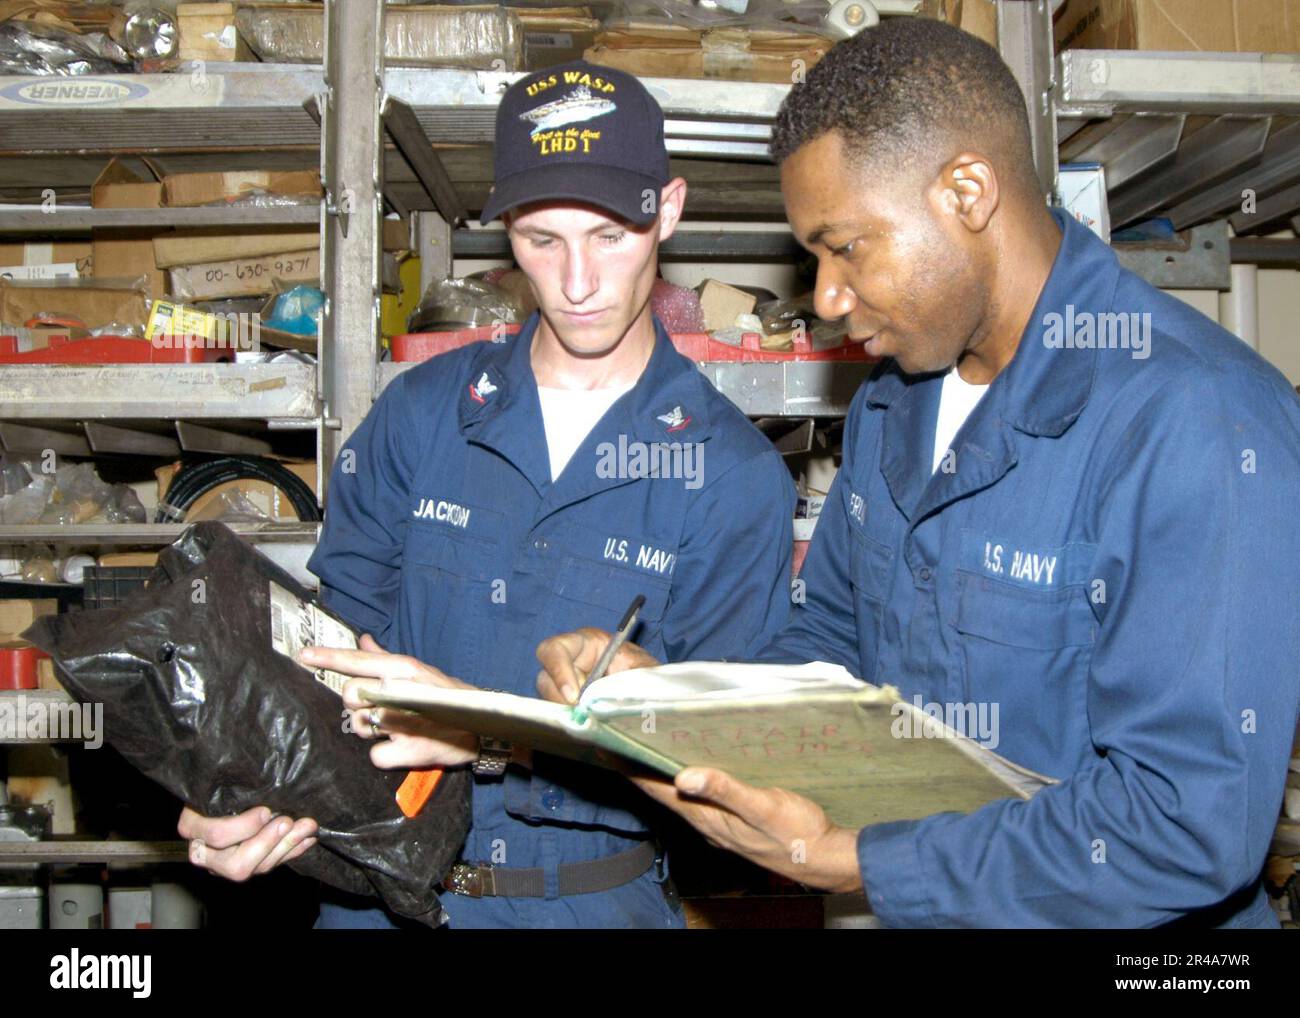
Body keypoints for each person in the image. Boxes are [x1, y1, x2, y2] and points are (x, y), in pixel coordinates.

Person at [536, 19, 1300, 928]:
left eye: (845, 246)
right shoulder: (894, 406)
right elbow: (833, 647)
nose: (823, 297)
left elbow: (1186, 826)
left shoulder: (1196, 421)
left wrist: (861, 860)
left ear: (967, 191)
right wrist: (667, 703)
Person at [178, 60, 796, 929]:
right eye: (542, 240)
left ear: (670, 210)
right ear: (507, 230)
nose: (577, 282)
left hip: (587, 906)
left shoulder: (731, 478)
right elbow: (328, 664)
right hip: (378, 894)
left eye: (609, 236)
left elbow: (728, 770)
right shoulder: (422, 417)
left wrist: (490, 741)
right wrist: (251, 785)